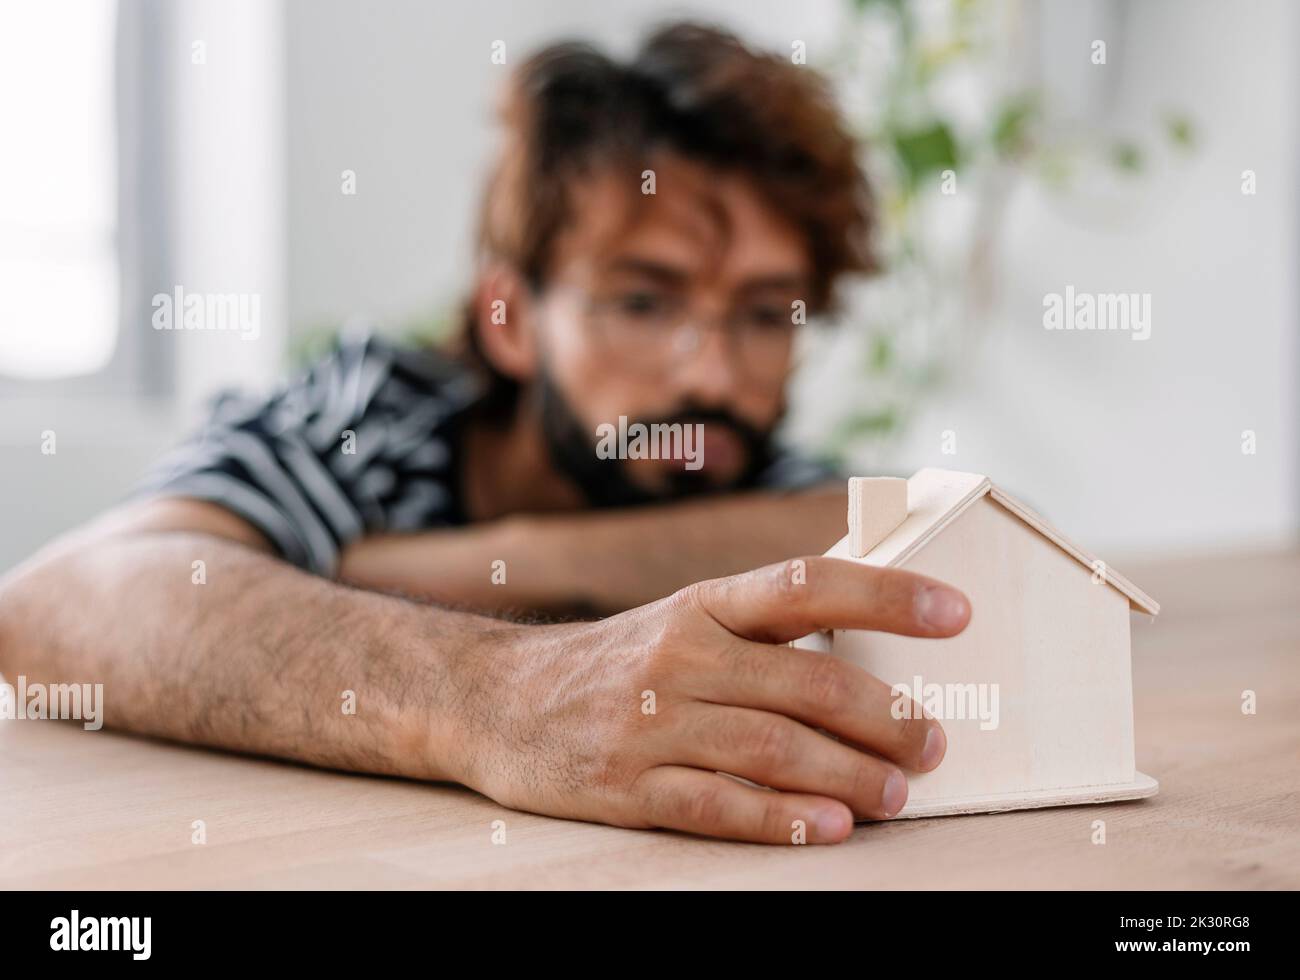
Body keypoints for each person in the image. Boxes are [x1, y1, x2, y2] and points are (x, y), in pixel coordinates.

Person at [0, 23, 969, 844]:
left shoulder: (735, 459)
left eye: (765, 314)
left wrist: (482, 560)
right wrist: (504, 694)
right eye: (641, 300)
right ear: (508, 317)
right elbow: (55, 604)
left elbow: (944, 548)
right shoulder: (371, 419)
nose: (711, 372)